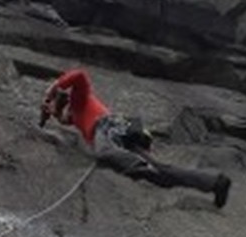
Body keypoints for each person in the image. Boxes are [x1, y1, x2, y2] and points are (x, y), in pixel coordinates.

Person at [40, 68, 232, 209]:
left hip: (108, 128)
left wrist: (53, 87)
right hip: (120, 137)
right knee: (162, 175)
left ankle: (138, 164)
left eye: (52, 102)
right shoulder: (75, 113)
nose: (51, 107)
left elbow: (80, 75)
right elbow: (67, 120)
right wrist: (52, 112)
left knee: (103, 151)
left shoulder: (77, 98)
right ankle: (215, 182)